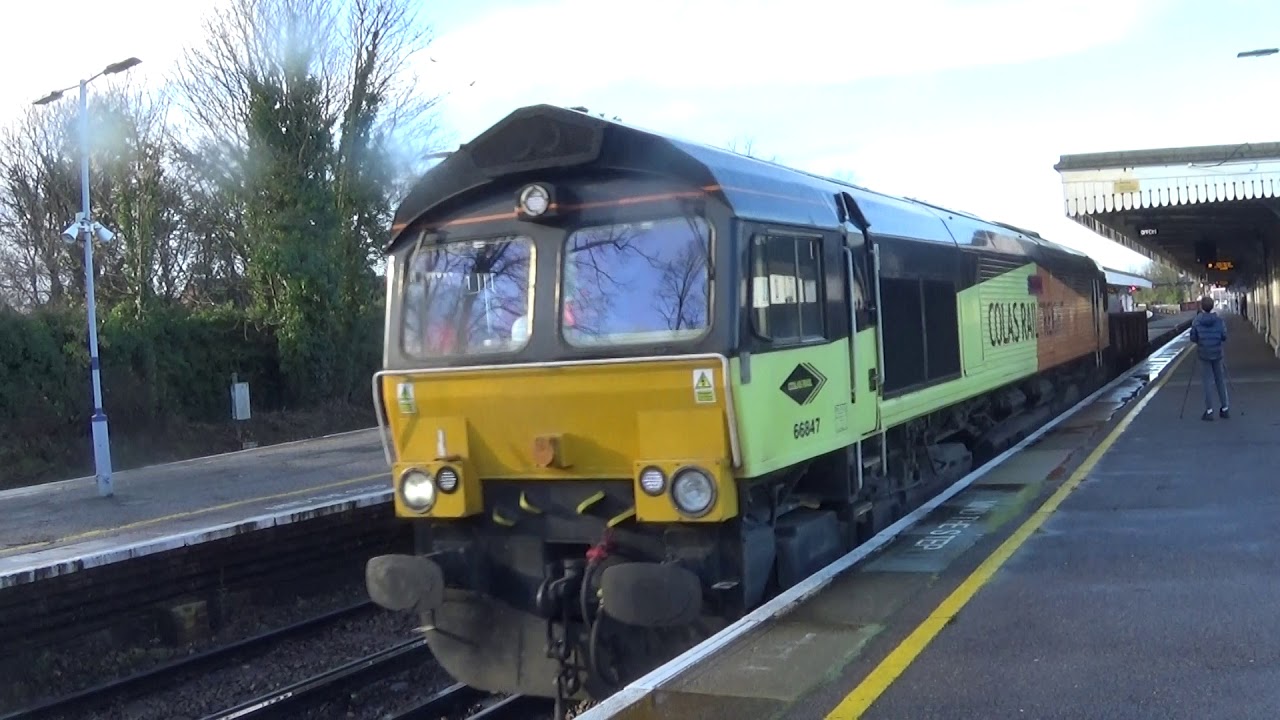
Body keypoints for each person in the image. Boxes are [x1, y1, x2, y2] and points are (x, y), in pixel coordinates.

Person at [1189, 296, 1229, 420]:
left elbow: (1193, 338)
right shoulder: (1219, 321)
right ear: (1212, 306)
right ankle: (1225, 408)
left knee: (1207, 382)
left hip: (1204, 354)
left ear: (1202, 306)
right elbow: (1224, 336)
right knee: (1220, 381)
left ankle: (1209, 411)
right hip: (1217, 353)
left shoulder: (1196, 321)